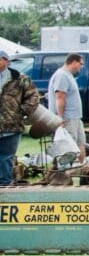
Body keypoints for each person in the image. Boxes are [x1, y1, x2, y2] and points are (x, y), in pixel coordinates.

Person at [0, 51, 40, 185]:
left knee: (6, 157)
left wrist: (22, 112)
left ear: (6, 61)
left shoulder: (20, 78)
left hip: (12, 126)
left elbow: (34, 96)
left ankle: (5, 185)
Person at [49, 53, 85, 152]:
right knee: (69, 149)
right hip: (67, 119)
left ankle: (82, 167)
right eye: (81, 64)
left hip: (75, 117)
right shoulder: (61, 75)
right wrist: (60, 118)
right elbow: (60, 97)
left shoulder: (68, 75)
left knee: (81, 144)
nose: (81, 67)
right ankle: (71, 167)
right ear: (74, 62)